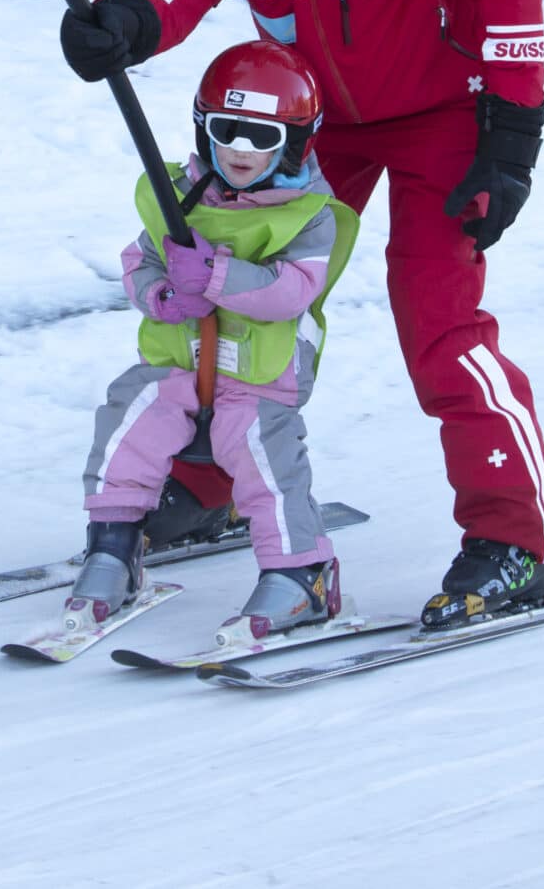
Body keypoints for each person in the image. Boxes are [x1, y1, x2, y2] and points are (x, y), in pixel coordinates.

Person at [59, 0, 544, 630]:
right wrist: (129, 23)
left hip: (447, 117)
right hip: (315, 127)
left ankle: (520, 536)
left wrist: (514, 134)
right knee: (232, 286)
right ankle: (211, 475)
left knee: (438, 321)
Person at [64, 41, 359, 642]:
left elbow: (293, 291)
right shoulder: (177, 198)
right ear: (204, 129)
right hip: (180, 362)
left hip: (259, 375)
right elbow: (139, 259)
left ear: (297, 141)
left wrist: (218, 277)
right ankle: (115, 546)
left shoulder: (309, 216)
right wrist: (162, 295)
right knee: (129, 414)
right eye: (227, 131)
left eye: (261, 137)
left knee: (257, 446)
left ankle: (303, 573)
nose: (240, 151)